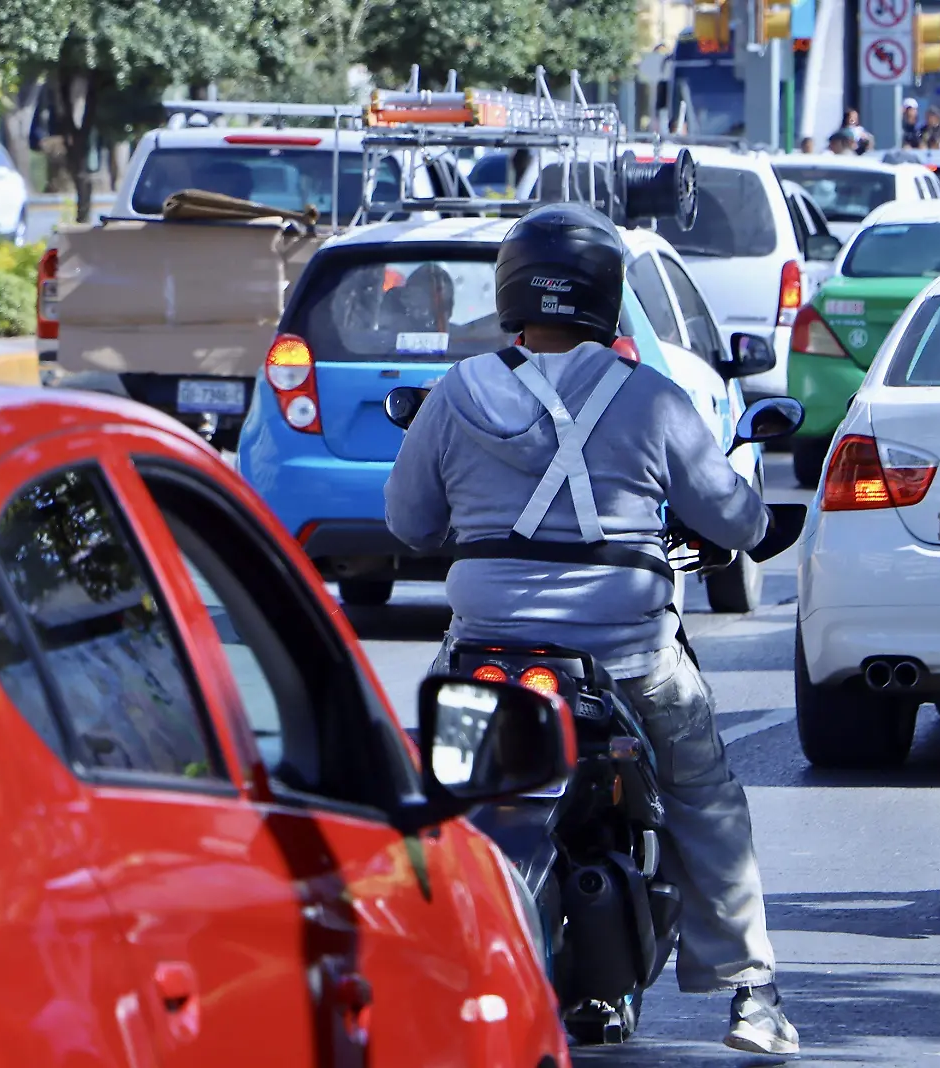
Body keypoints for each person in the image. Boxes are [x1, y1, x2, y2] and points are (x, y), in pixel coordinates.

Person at [383, 203, 800, 1056]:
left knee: (441, 802)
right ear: (606, 298)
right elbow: (733, 519)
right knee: (704, 795)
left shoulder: (456, 392)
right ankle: (752, 993)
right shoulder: (651, 395)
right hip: (629, 657)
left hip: (482, 654)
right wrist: (745, 508)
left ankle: (417, 974)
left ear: (509, 294)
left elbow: (409, 522)